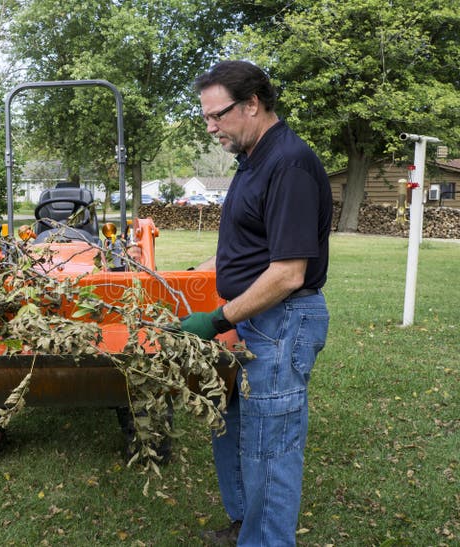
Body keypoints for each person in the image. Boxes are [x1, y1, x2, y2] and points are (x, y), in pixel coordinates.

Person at [181, 60, 332, 546]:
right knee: (232, 428)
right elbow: (251, 247)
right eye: (204, 117)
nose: (210, 128)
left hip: (281, 323)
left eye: (217, 115)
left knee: (270, 448)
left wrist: (218, 318)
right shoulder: (254, 162)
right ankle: (247, 525)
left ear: (251, 104)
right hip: (253, 321)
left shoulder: (288, 162)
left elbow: (289, 273)